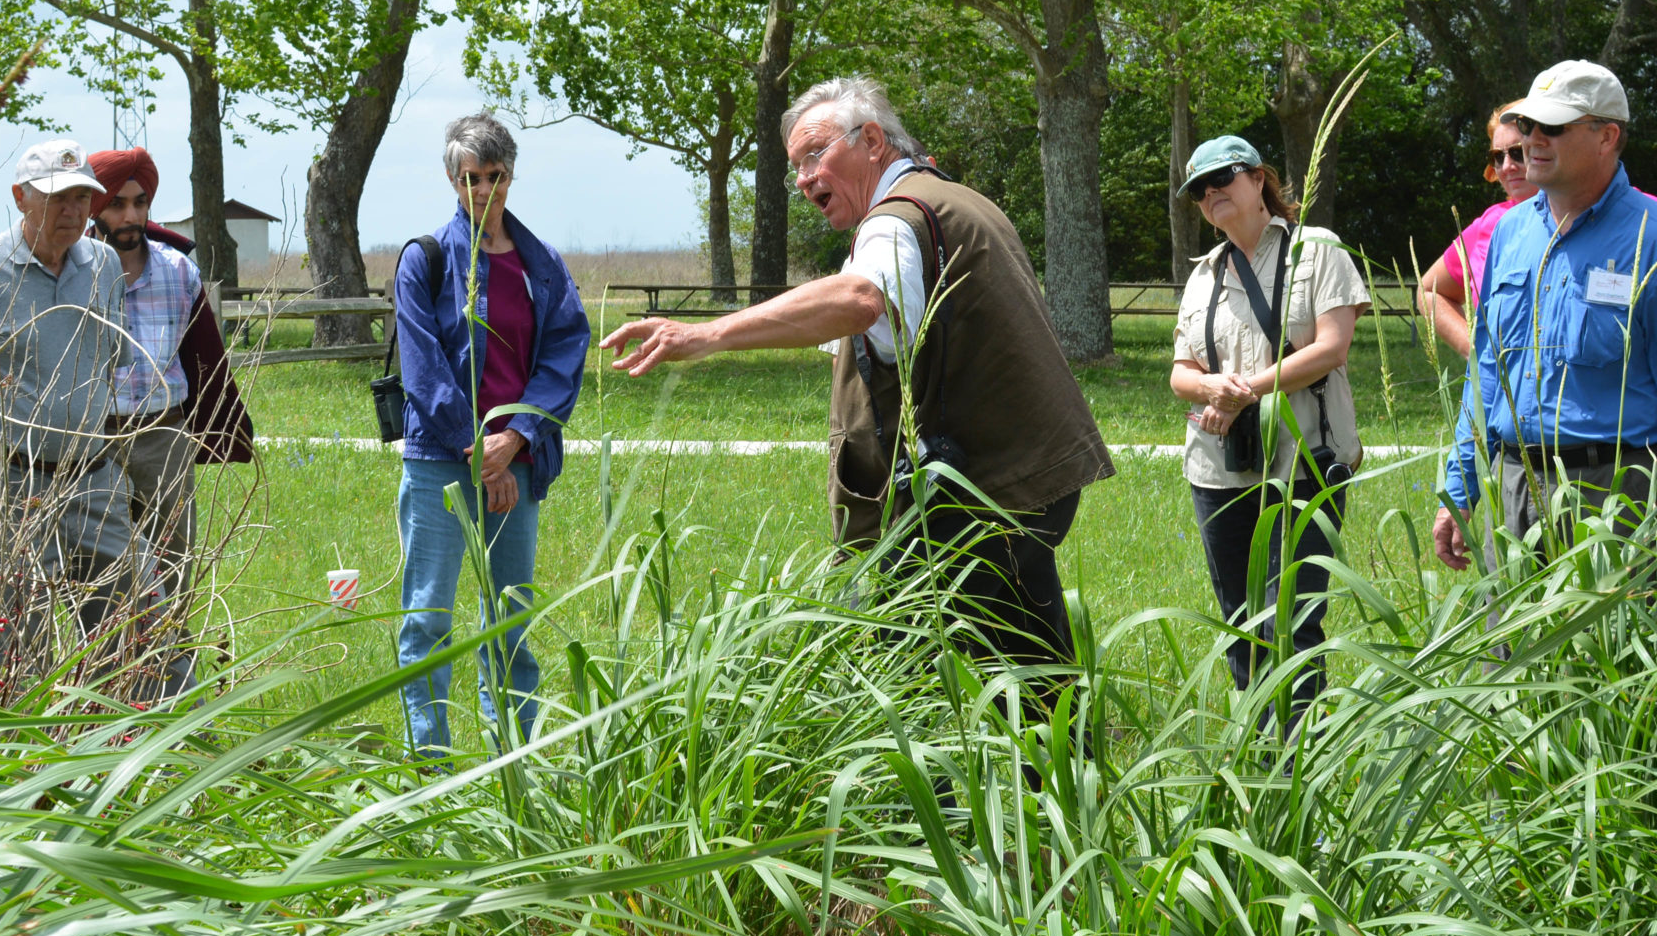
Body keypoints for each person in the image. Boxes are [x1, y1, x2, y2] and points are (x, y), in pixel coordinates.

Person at [599, 75, 1114, 717]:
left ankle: (979, 811)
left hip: (971, 499)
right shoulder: (947, 202)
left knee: (945, 689)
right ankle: (1059, 799)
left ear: (872, 140)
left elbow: (860, 299)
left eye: (815, 155)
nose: (803, 178)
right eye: (794, 167)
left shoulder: (898, 220)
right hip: (1013, 483)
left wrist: (707, 334)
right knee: (1029, 675)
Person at [1433, 60, 1657, 573]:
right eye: (1528, 126)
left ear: (1607, 136)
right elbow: (1487, 372)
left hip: (1619, 499)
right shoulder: (1510, 235)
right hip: (1512, 488)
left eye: (1552, 127)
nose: (1533, 140)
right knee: (1507, 653)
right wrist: (1460, 486)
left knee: (1612, 654)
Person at [0, 139, 136, 702]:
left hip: (94, 478)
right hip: (4, 486)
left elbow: (111, 365)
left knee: (136, 618)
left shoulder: (104, 265)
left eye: (83, 196)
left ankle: (145, 747)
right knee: (14, 641)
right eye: (58, 197)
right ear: (20, 198)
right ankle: (22, 767)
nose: (73, 211)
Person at [393, 112, 589, 755]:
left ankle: (514, 760)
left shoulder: (543, 266)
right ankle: (432, 764)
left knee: (510, 618)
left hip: (519, 461)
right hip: (442, 461)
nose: (482, 191)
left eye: (494, 176)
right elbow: (423, 370)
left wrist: (519, 439)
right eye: (469, 178)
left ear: (511, 174)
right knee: (429, 618)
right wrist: (481, 452)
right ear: (451, 178)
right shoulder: (422, 260)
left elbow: (565, 352)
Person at [1169, 135, 1369, 730]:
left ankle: (1301, 759)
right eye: (1200, 191)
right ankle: (1258, 749)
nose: (1212, 194)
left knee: (1295, 620)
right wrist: (1213, 391)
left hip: (1302, 466)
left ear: (1259, 179)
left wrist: (1245, 389)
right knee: (1239, 620)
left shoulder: (1317, 251)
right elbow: (1181, 373)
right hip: (1218, 471)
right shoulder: (1202, 275)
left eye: (1223, 179)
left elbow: (1332, 346)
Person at [1420, 102, 1657, 359]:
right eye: (1497, 156)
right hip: (1510, 417)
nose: (1507, 167)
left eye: (1517, 152)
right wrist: (1475, 350)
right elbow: (1429, 291)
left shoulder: (1619, 207)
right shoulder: (1494, 225)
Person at [86, 146, 233, 703]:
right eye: (116, 204)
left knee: (170, 570)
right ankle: (107, 692)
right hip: (95, 441)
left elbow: (202, 355)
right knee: (103, 572)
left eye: (139, 203)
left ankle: (173, 700)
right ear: (97, 206)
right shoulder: (78, 273)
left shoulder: (177, 271)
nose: (128, 217)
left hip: (165, 436)